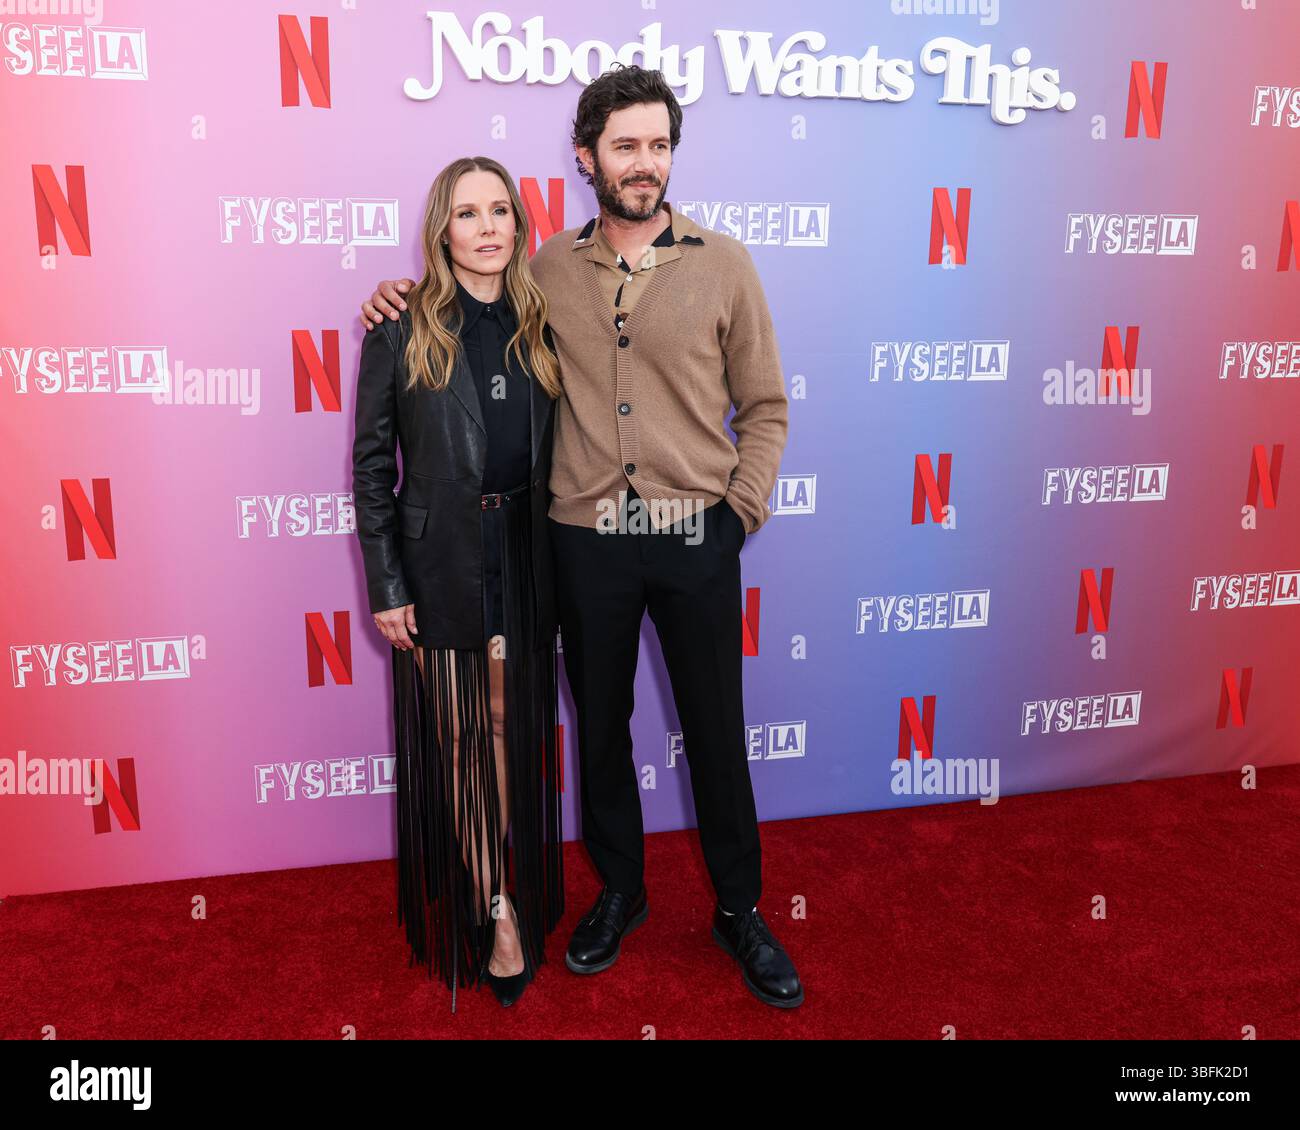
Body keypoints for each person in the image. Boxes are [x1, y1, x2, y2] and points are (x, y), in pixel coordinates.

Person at [361, 65, 803, 1009]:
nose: (645, 165)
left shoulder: (725, 264)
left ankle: (739, 909)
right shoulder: (545, 272)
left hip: (696, 536)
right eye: (626, 147)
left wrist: (736, 516)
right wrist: (392, 299)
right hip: (582, 542)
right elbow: (461, 305)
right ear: (587, 158)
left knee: (716, 734)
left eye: (659, 146)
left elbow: (765, 408)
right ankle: (623, 893)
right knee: (598, 733)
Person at [352, 156, 565, 1011]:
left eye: (501, 211)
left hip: (526, 549)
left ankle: (488, 869)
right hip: (440, 557)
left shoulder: (543, 319)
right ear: (442, 228)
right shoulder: (401, 327)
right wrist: (384, 581)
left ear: (519, 224)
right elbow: (372, 465)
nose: (486, 227)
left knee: (509, 723)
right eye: (468, 213)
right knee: (462, 735)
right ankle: (495, 904)